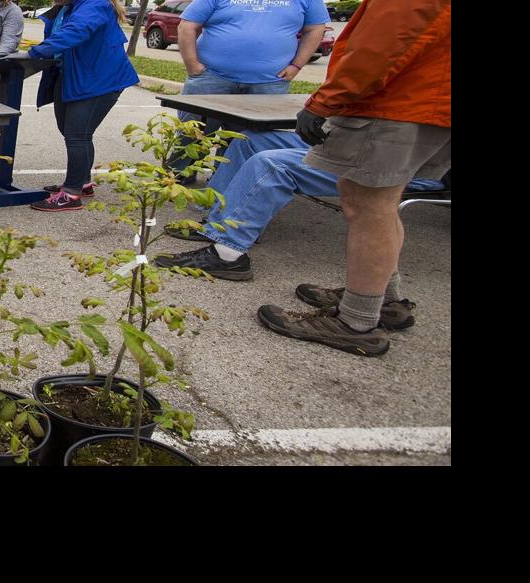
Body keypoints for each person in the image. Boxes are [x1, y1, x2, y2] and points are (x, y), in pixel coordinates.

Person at [255, 0, 450, 357]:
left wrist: (326, 99)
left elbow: (385, 41)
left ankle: (356, 321)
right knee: (381, 201)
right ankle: (383, 299)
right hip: (423, 95)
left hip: (396, 100)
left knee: (367, 204)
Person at [151, 127, 444, 330]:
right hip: (367, 141)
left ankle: (228, 253)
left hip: (397, 156)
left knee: (272, 165)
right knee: (249, 139)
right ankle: (219, 223)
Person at [169, 0, 328, 176]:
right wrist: (192, 65)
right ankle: (177, 177)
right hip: (211, 77)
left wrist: (296, 65)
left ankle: (225, 180)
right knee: (193, 131)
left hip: (269, 82)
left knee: (248, 138)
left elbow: (315, 29)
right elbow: (187, 26)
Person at [23, 0, 138, 211]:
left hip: (99, 80)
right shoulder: (68, 7)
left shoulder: (95, 5)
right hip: (74, 76)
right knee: (71, 131)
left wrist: (35, 52)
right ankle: (83, 182)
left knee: (78, 135)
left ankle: (71, 193)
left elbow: (76, 31)